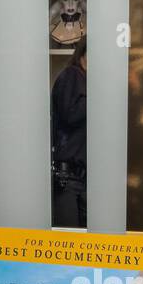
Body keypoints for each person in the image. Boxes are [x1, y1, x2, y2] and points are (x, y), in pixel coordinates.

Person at [50, 35, 86, 227]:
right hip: (69, 177)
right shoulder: (72, 75)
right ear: (83, 54)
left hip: (84, 176)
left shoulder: (84, 78)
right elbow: (70, 114)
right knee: (70, 240)